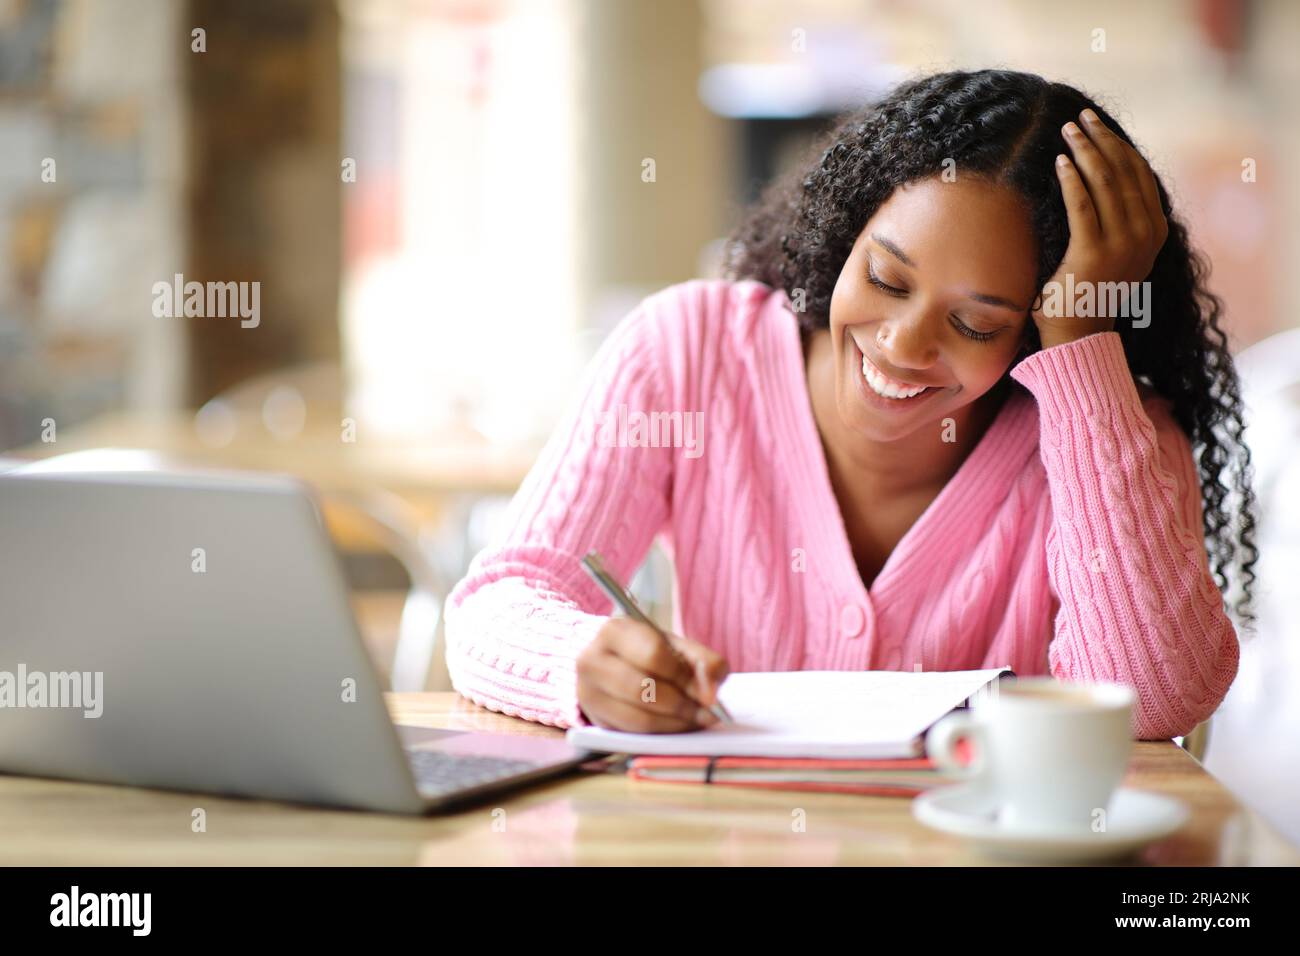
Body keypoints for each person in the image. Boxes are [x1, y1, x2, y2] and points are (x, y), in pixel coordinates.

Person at [444, 69, 1255, 740]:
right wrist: (581, 660)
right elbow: (496, 606)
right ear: (845, 232)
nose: (902, 344)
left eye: (976, 324)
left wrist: (1083, 343)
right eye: (885, 279)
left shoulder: (1106, 430)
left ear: (1030, 334)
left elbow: (1154, 702)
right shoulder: (689, 354)